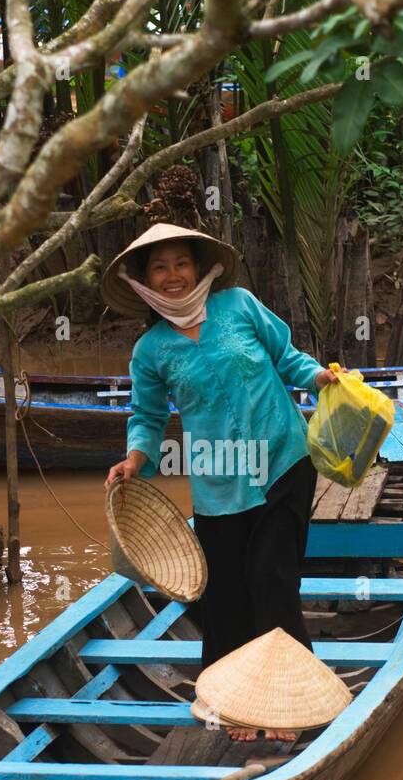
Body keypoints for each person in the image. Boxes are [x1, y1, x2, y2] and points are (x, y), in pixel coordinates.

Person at [102, 222, 337, 743]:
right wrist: (136, 458)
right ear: (144, 279)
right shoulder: (151, 349)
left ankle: (288, 699)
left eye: (181, 263)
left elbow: (287, 357)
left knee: (271, 577)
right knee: (226, 595)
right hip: (219, 482)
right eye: (159, 267)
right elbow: (146, 415)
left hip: (282, 460)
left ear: (199, 266)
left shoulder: (240, 305)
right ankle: (235, 702)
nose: (173, 277)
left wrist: (319, 377)